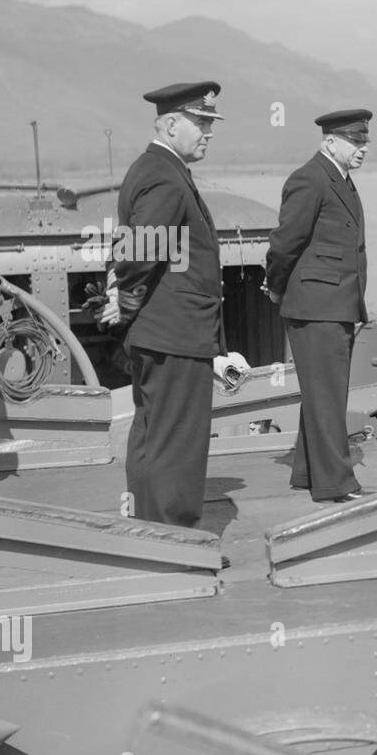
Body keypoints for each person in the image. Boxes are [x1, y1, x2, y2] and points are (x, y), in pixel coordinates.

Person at [108, 81, 227, 528]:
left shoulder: (156, 168)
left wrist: (130, 311)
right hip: (175, 332)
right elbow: (140, 252)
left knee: (153, 435)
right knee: (177, 440)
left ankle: (151, 530)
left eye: (211, 122)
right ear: (171, 123)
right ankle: (176, 541)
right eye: (201, 122)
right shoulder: (163, 174)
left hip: (163, 329)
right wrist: (129, 303)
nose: (208, 131)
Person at [265, 108, 372, 503]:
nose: (363, 148)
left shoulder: (338, 179)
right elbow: (284, 243)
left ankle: (309, 472)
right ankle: (336, 485)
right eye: (355, 141)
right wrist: (276, 289)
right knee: (327, 395)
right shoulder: (310, 179)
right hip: (316, 307)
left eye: (364, 141)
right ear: (330, 142)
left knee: (322, 393)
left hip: (334, 304)